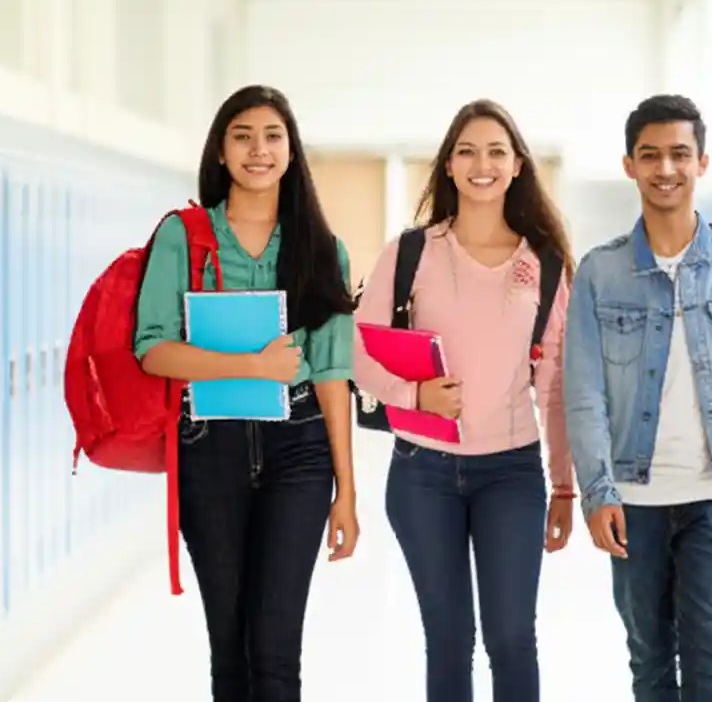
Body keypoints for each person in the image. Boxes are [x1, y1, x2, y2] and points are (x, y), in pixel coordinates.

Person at [562, 94, 712, 701]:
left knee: (709, 658)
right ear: (629, 165)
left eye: (679, 154)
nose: (665, 169)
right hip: (632, 495)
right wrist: (596, 491)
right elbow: (583, 393)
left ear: (702, 162)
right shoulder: (600, 272)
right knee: (649, 661)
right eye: (650, 155)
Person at [134, 84, 359, 702]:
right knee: (229, 649)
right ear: (220, 152)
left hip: (300, 453)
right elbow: (153, 349)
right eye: (242, 137)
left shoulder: (322, 250)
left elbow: (334, 375)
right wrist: (252, 365)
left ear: (292, 151)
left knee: (277, 649)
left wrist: (347, 493)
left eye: (272, 136)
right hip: (211, 449)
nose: (258, 150)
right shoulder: (184, 238)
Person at [353, 99, 577, 702]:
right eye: (468, 151)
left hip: (512, 472)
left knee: (511, 637)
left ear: (518, 166)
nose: (483, 164)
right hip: (422, 472)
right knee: (448, 638)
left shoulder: (544, 264)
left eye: (497, 151)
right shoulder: (410, 253)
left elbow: (555, 384)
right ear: (448, 166)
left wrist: (564, 484)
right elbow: (356, 354)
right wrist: (414, 393)